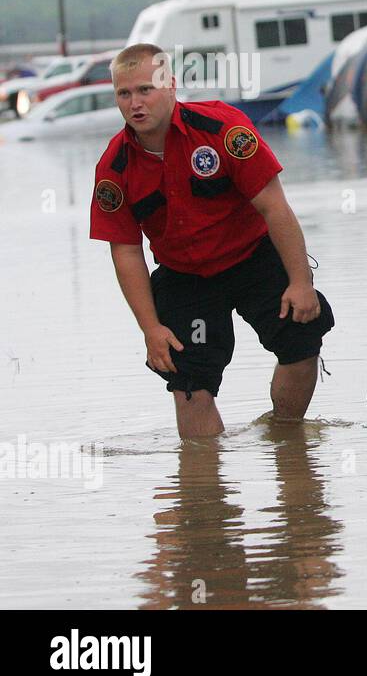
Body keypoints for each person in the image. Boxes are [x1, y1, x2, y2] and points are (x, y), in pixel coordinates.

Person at [90, 43, 334, 437]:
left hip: (253, 258)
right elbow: (125, 250)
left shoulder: (223, 129)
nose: (135, 103)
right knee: (188, 379)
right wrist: (150, 328)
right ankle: (205, 490)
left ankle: (288, 443)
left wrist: (301, 282)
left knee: (302, 340)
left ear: (170, 86)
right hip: (186, 277)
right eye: (124, 93)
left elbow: (274, 207)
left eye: (145, 90)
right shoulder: (114, 166)